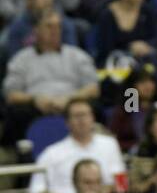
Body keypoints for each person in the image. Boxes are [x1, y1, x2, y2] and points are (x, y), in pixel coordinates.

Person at [3, 12, 100, 143]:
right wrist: (35, 99)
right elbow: (11, 94)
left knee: (95, 107)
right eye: (49, 26)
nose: (55, 31)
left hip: (71, 101)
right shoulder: (21, 59)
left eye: (58, 27)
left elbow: (94, 88)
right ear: (36, 30)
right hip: (35, 106)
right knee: (15, 112)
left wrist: (70, 99)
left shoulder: (77, 55)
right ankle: (23, 154)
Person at [27, 99, 125, 193]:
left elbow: (122, 182)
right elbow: (36, 188)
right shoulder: (51, 153)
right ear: (67, 122)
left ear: (93, 118)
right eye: (77, 116)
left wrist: (109, 190)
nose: (82, 120)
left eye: (85, 115)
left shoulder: (109, 144)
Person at [91, 0, 157, 66]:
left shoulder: (148, 11)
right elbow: (105, 51)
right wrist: (130, 49)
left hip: (144, 62)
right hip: (115, 66)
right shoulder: (107, 15)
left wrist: (147, 47)